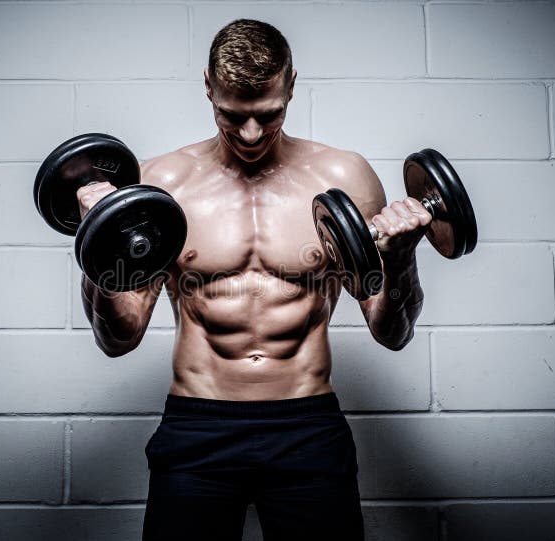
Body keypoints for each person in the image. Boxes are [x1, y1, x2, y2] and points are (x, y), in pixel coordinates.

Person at [77, 19, 431, 541]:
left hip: (307, 426)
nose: (250, 134)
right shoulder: (160, 185)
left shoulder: (346, 178)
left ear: (291, 85)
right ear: (207, 87)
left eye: (268, 116)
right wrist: (97, 243)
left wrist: (400, 258)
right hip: (197, 426)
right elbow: (118, 338)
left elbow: (392, 333)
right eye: (231, 115)